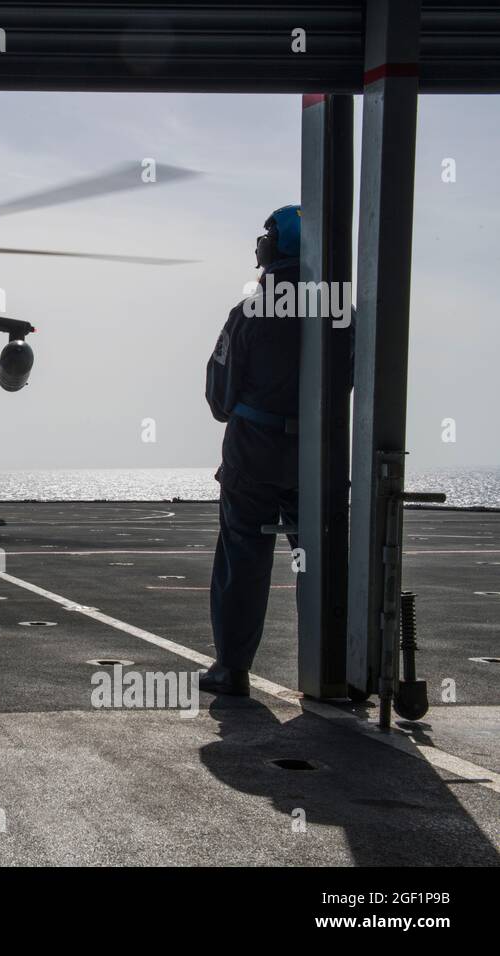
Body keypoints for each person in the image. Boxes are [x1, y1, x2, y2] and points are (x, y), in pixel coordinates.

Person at [201, 205, 303, 696]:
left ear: (269, 251)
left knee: (243, 556)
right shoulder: (342, 314)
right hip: (315, 460)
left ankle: (232, 668)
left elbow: (219, 399)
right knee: (324, 561)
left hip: (252, 457)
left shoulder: (248, 314)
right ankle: (338, 669)